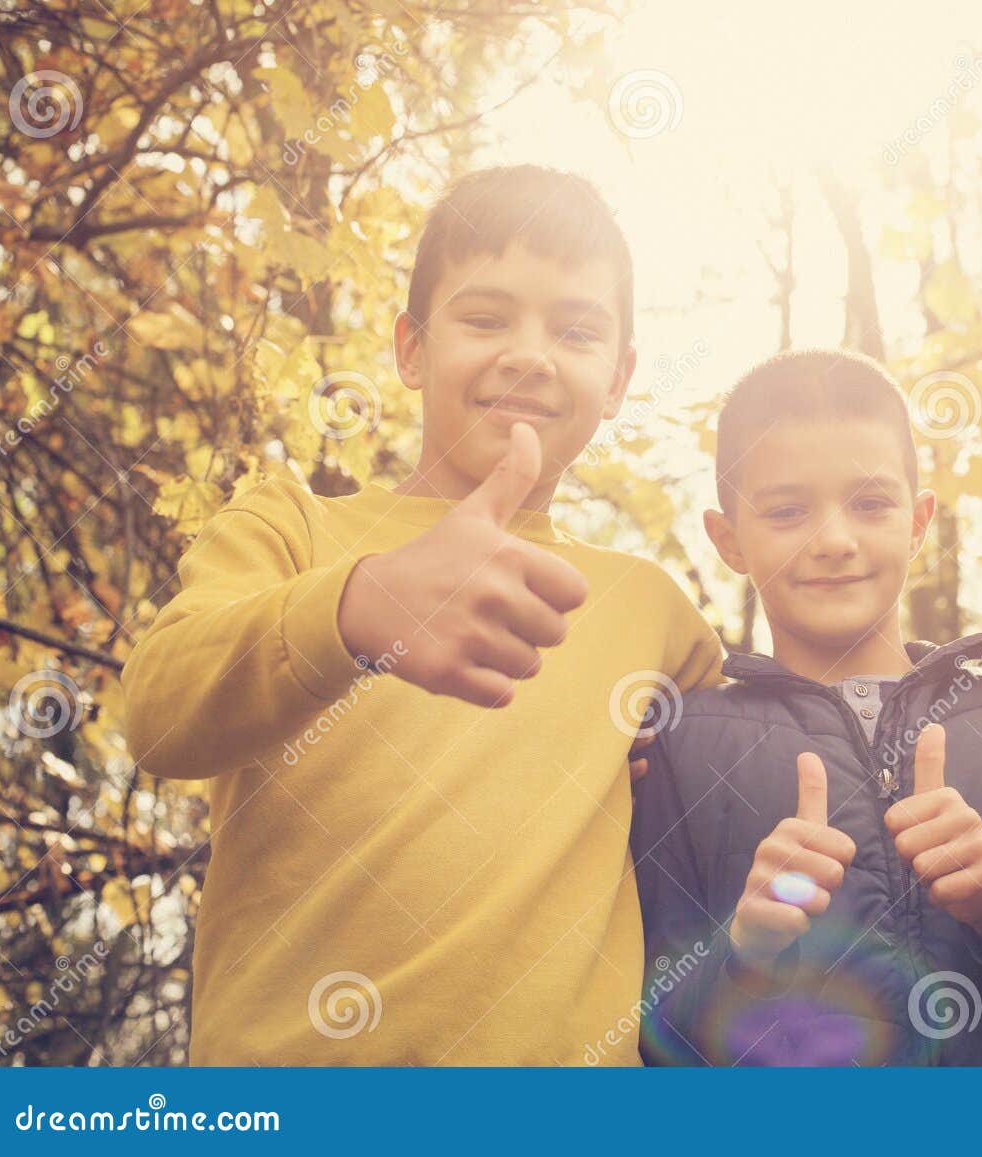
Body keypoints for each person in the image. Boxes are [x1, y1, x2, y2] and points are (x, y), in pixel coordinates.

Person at [120, 165, 723, 1064]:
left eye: (577, 329)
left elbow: (758, 785)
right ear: (410, 348)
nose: (530, 353)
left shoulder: (657, 615)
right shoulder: (291, 526)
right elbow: (157, 713)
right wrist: (358, 609)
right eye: (485, 318)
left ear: (618, 378)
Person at [629, 349, 982, 1065]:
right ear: (727, 539)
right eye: (786, 510)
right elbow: (656, 1049)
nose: (835, 540)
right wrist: (742, 951)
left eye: (871, 503)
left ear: (919, 519)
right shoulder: (682, 752)